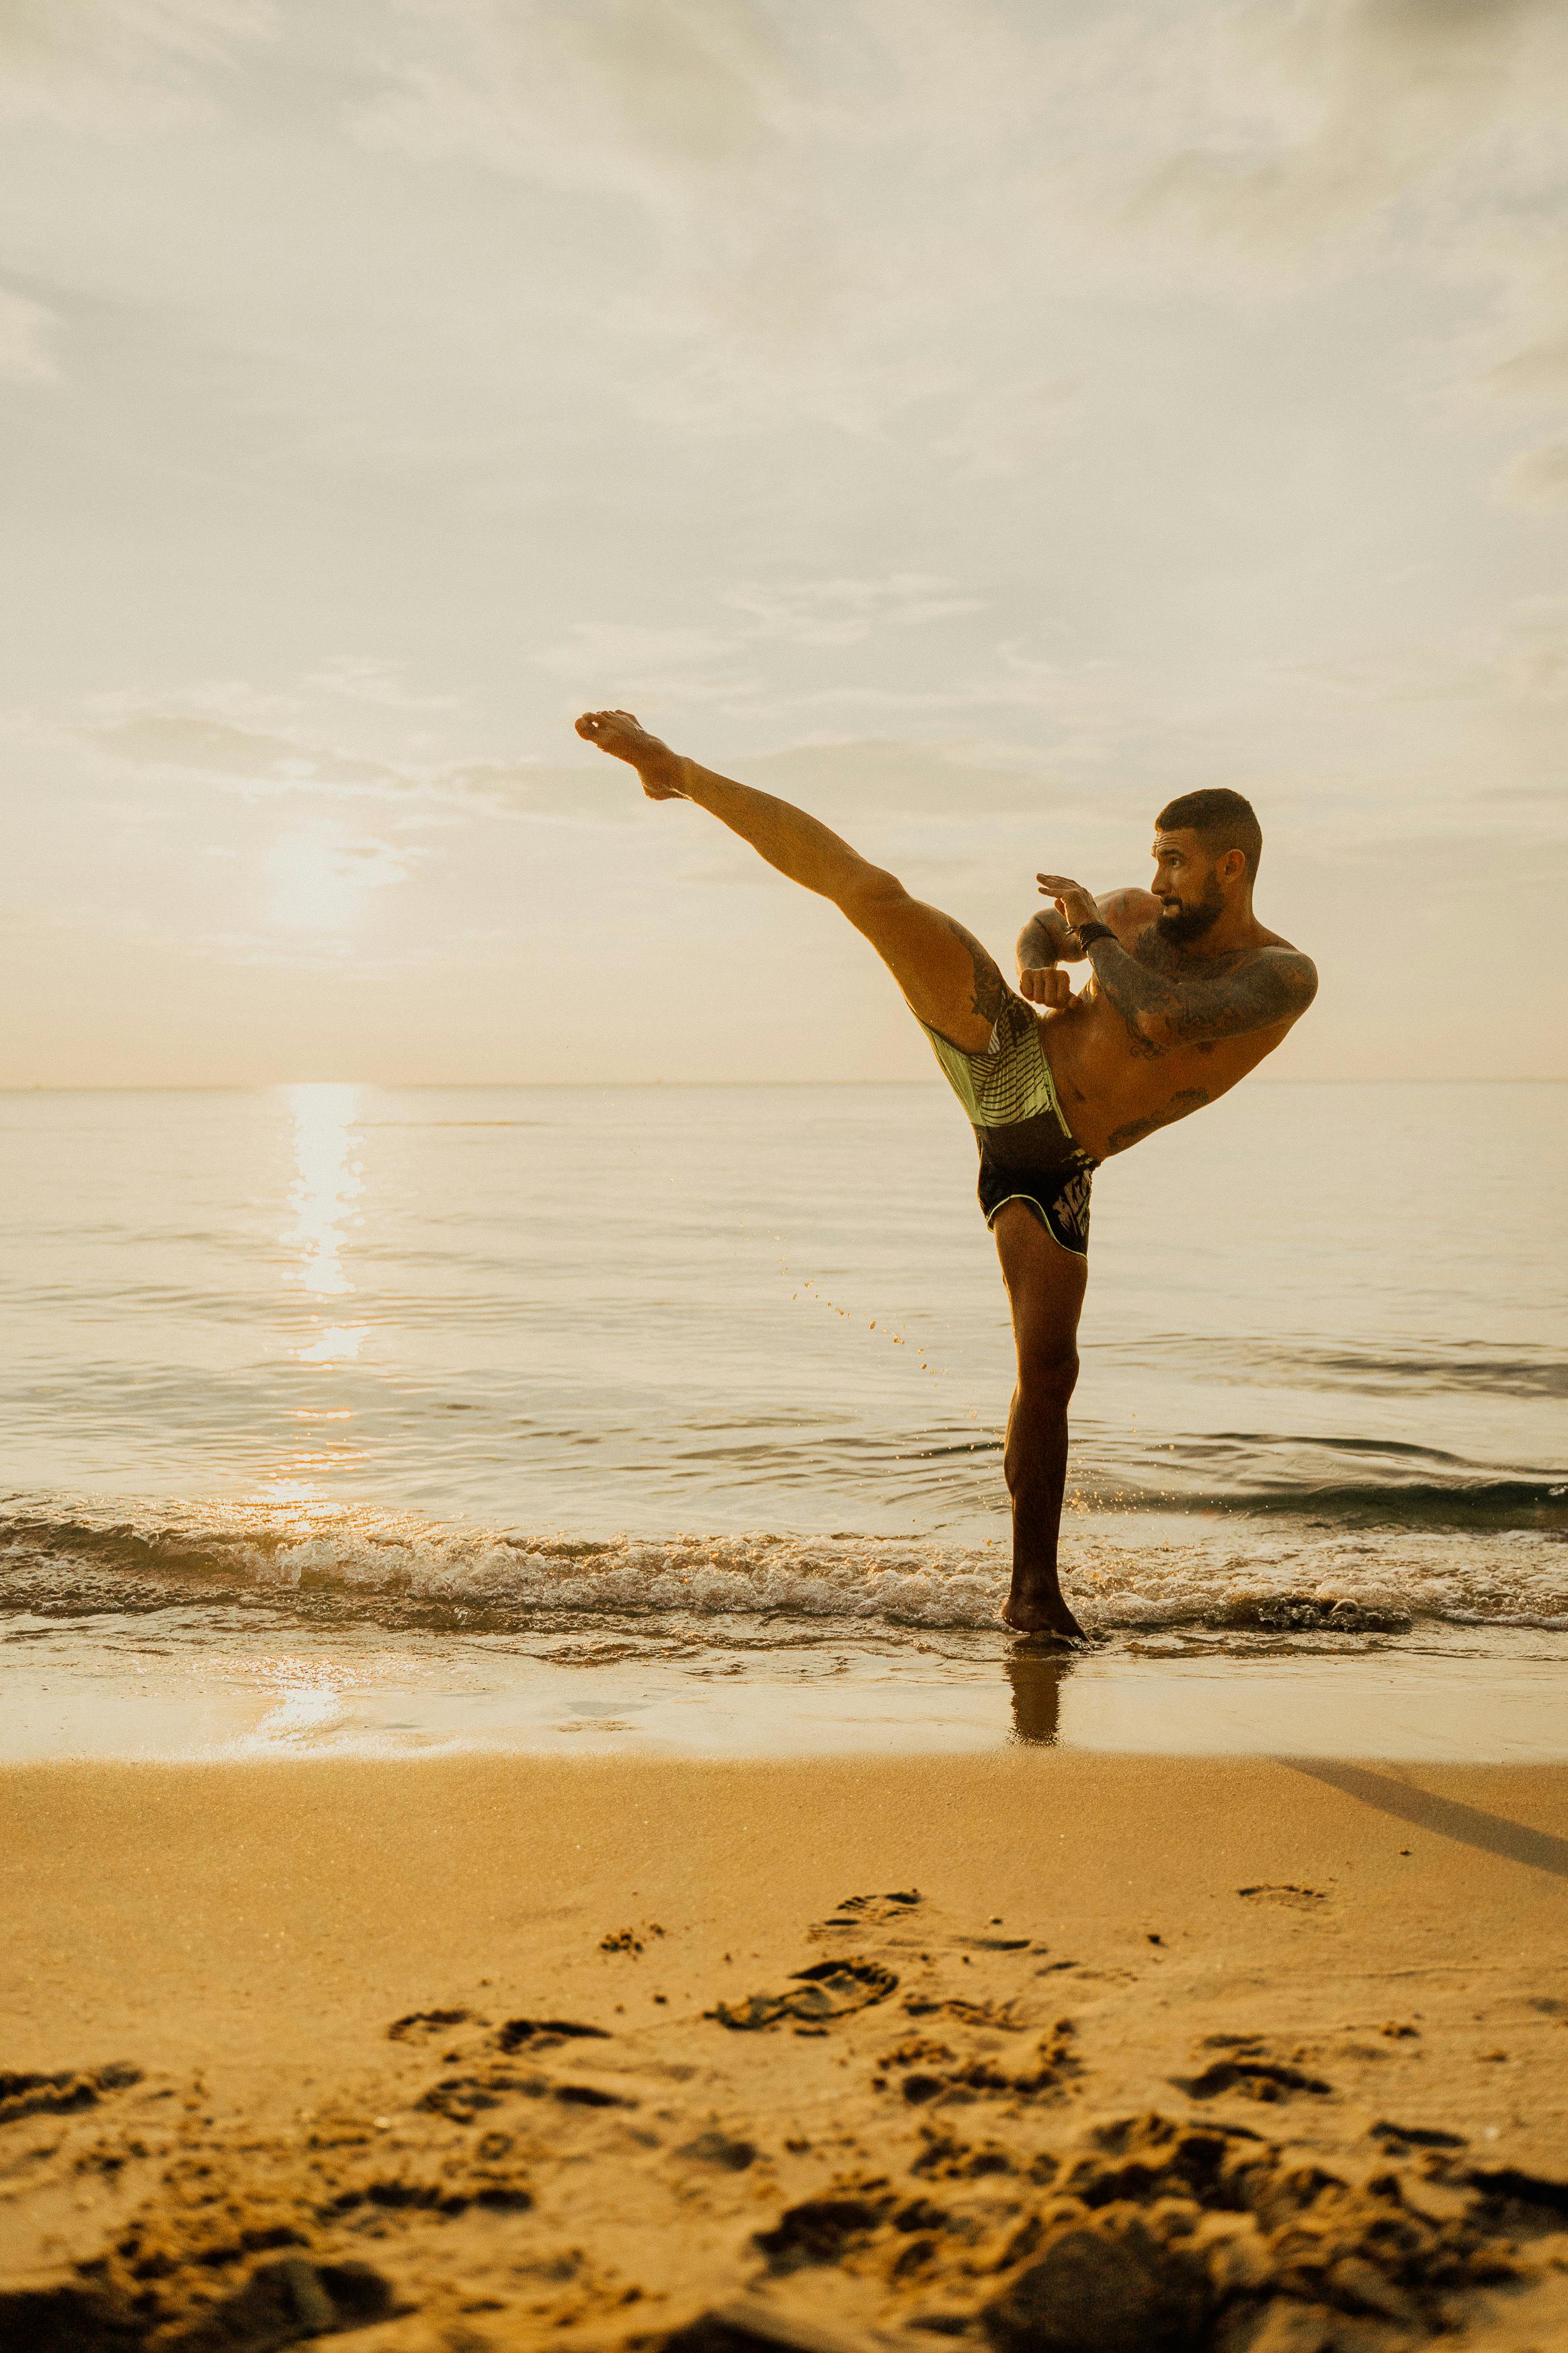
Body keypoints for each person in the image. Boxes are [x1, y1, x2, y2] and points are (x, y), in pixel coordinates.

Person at [575, 709, 1317, 1640]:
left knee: (1047, 1373)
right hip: (1008, 1053)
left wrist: (1088, 935)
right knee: (875, 895)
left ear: (1230, 866)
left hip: (1054, 1161)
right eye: (1155, 859)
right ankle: (673, 770)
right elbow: (1042, 931)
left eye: (1174, 861)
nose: (1157, 880)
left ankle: (1032, 1594)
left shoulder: (1280, 974)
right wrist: (1035, 958)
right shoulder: (1129, 916)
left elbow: (1161, 1021)